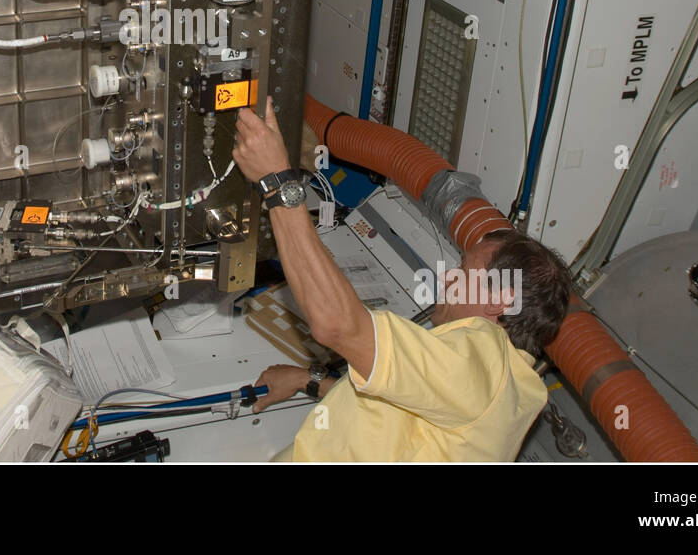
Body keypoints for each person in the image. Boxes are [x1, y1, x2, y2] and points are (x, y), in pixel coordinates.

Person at [231, 98, 574, 462]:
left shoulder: (485, 362)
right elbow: (399, 417)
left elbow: (337, 325)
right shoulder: (499, 386)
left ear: (498, 301)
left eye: (465, 270)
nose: (450, 278)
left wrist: (277, 183)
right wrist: (311, 381)